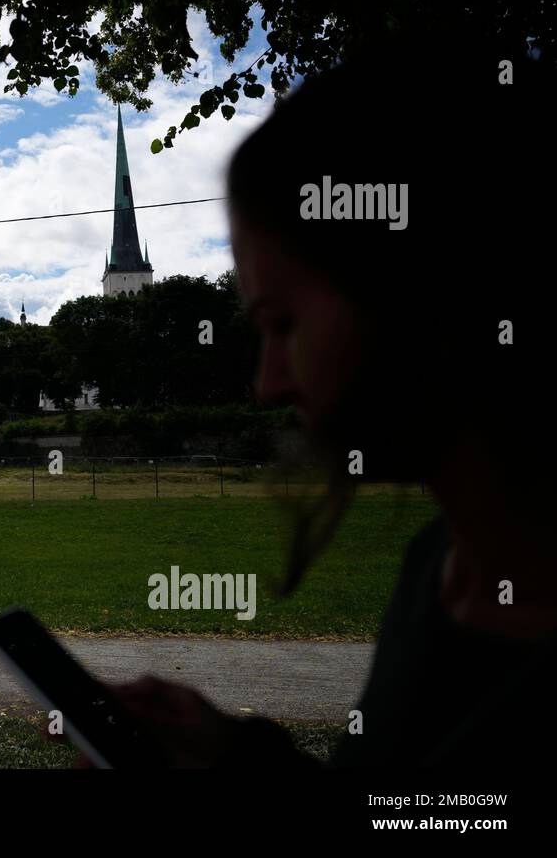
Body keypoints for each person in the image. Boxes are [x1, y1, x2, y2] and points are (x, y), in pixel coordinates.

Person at [101, 40, 552, 767]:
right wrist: (232, 756)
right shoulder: (439, 565)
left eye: (283, 324)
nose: (267, 385)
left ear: (421, 286)